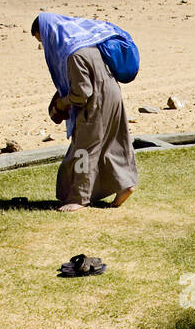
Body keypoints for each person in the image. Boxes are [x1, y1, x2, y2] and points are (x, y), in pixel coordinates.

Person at [31, 12, 138, 212]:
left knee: (83, 150)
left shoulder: (73, 54)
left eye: (42, 41)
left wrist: (63, 103)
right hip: (112, 97)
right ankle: (125, 184)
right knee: (112, 144)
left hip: (95, 104)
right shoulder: (87, 44)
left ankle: (79, 197)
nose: (43, 47)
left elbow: (82, 93)